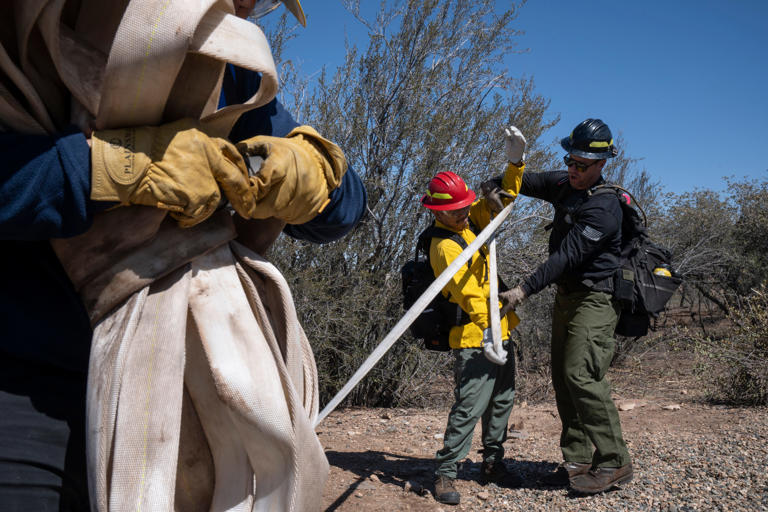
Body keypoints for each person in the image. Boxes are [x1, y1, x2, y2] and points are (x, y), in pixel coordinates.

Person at [0, 1, 365, 509]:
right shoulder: (22, 34)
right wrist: (105, 168)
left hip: (181, 388)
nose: (248, 8)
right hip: (23, 384)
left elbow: (343, 207)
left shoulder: (221, 57)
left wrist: (319, 173)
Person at [483, 119, 633, 494]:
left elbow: (566, 256)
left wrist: (522, 290)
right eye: (570, 161)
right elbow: (524, 183)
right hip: (567, 297)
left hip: (595, 298)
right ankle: (578, 462)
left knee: (581, 375)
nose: (573, 170)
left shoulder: (605, 206)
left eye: (582, 166)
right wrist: (498, 182)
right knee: (564, 378)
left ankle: (615, 461)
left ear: (602, 164)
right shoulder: (566, 183)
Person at [422, 167, 523, 506]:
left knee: (501, 402)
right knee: (470, 406)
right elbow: (469, 295)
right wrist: (489, 332)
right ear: (438, 212)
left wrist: (514, 166)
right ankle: (446, 472)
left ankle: (493, 465)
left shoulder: (467, 223)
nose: (466, 213)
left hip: (498, 328)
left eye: (467, 206)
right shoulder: (444, 247)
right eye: (457, 210)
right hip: (474, 336)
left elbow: (502, 204)